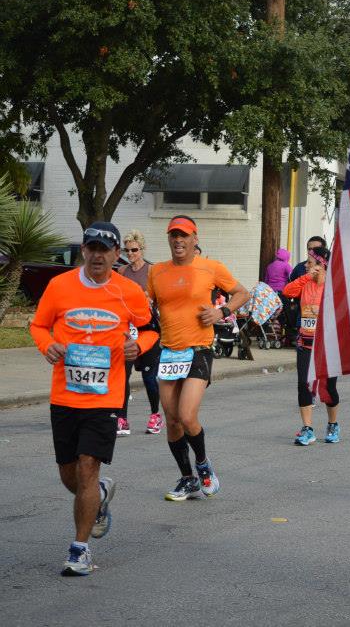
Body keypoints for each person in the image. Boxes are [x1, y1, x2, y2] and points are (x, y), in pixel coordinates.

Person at [30, 221, 158, 576]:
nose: (98, 255)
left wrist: (139, 346)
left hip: (105, 396)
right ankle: (99, 496)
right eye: (92, 248)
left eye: (105, 249)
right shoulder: (59, 287)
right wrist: (47, 346)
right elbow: (38, 325)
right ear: (83, 250)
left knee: (88, 467)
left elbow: (150, 329)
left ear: (117, 254)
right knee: (69, 475)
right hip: (65, 393)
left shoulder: (128, 292)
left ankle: (80, 548)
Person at [147, 215, 250, 501]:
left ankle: (203, 464)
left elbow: (242, 293)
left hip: (198, 350)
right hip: (168, 351)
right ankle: (188, 478)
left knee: (187, 415)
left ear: (195, 239)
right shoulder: (157, 272)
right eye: (173, 235)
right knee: (172, 420)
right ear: (168, 239)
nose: (178, 240)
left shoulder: (211, 267)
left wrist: (221, 312)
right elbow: (150, 305)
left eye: (184, 235)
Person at [283, 247, 340, 445]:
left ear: (322, 265)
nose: (306, 266)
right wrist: (306, 277)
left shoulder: (333, 287)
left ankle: (333, 423)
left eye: (310, 262)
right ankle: (307, 429)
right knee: (303, 384)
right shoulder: (305, 283)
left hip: (327, 345)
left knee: (328, 388)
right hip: (305, 343)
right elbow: (287, 291)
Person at [117, 229, 163, 435]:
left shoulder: (153, 271)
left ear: (142, 249)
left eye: (134, 250)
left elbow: (162, 298)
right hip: (128, 331)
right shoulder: (122, 271)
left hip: (148, 329)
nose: (130, 254)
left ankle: (155, 415)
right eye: (127, 250)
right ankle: (122, 419)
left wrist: (148, 299)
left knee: (149, 377)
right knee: (122, 376)